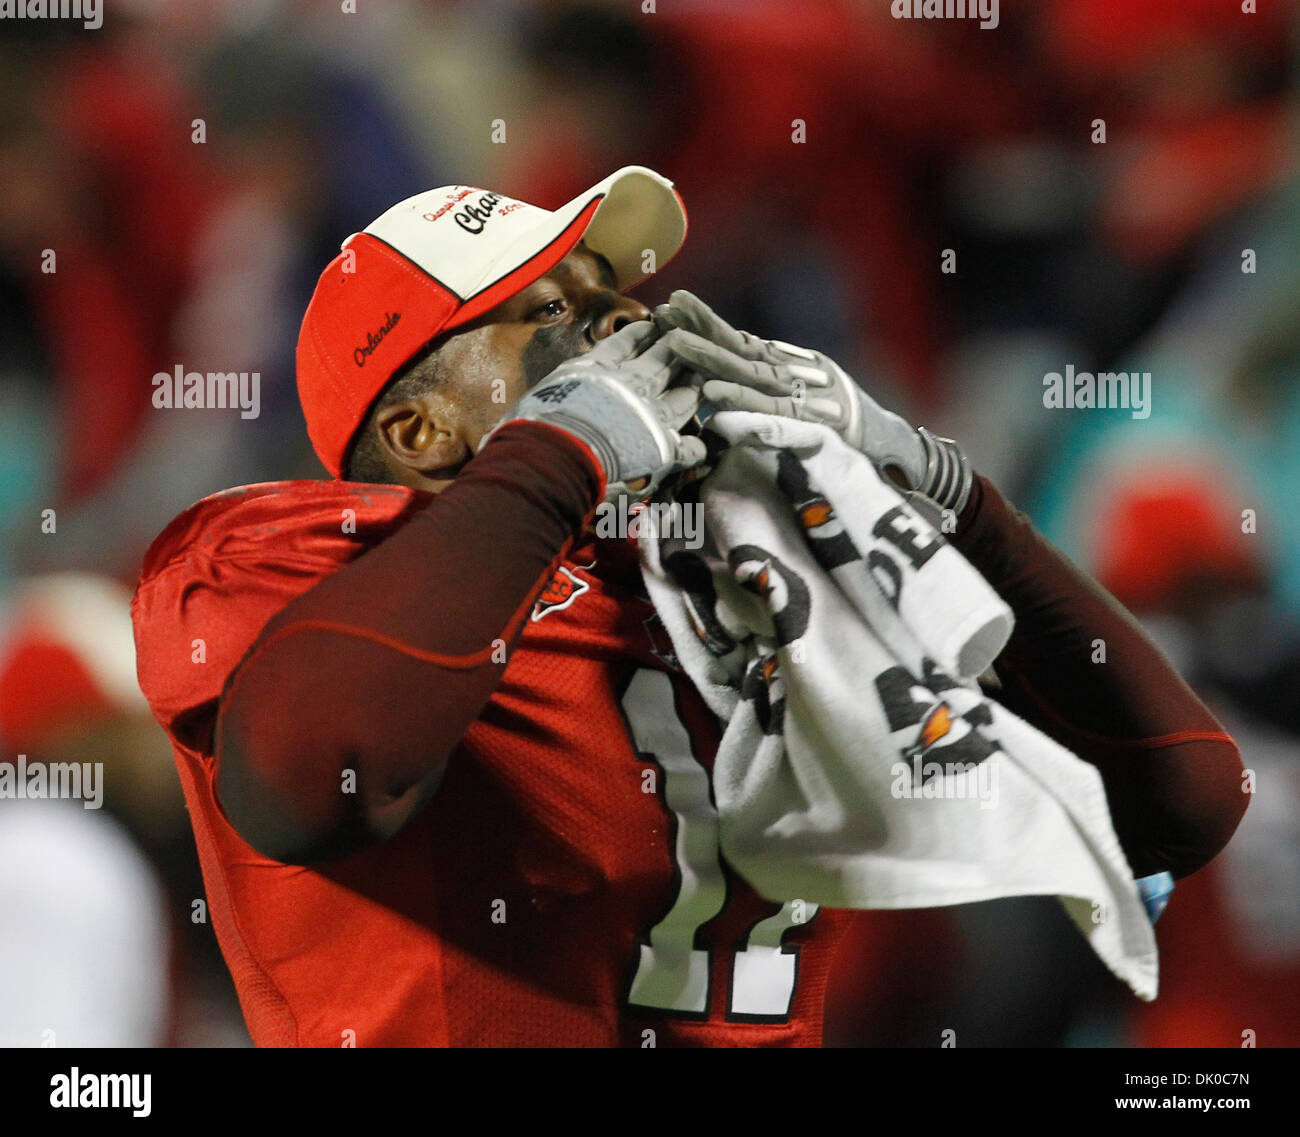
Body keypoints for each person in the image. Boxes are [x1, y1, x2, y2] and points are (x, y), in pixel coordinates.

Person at [132, 166, 1247, 1047]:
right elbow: (307, 783)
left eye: (611, 294)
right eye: (546, 317)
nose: (625, 326)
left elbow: (1174, 802)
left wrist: (945, 490)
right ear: (422, 435)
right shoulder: (285, 557)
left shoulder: (753, 568)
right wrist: (559, 457)